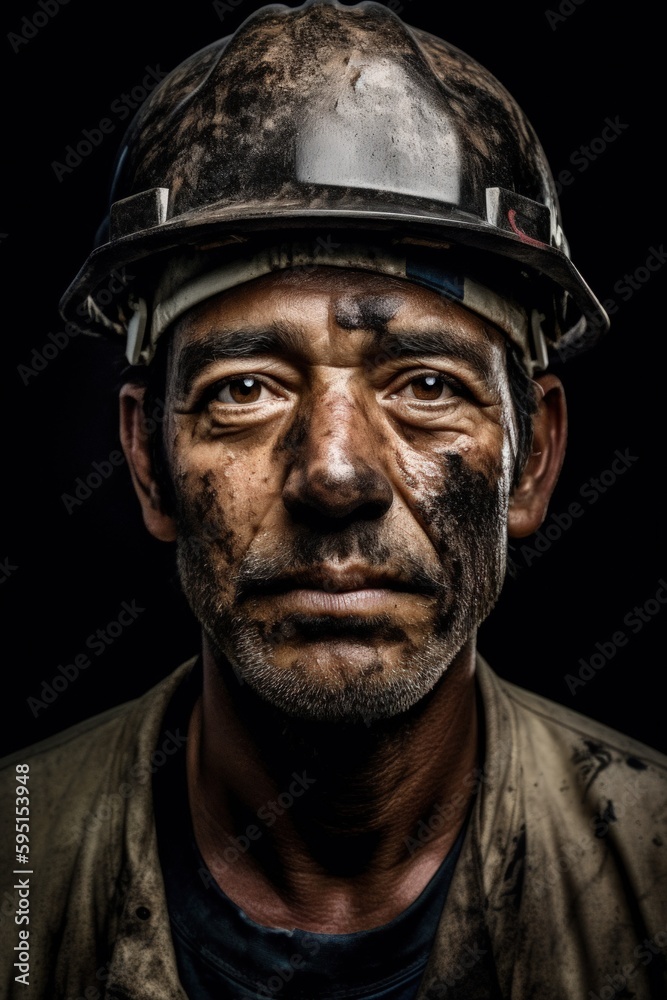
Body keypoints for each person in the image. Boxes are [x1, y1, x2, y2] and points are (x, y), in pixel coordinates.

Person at [2, 2, 666, 998]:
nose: (336, 474)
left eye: (427, 386)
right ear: (147, 458)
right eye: (246, 388)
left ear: (531, 462)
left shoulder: (655, 870)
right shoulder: (18, 864)